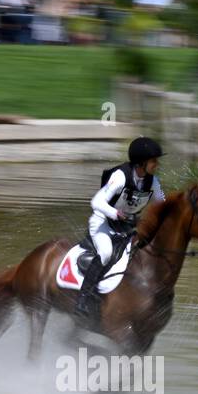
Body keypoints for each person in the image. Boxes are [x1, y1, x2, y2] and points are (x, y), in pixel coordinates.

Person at [76, 137, 166, 320]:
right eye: (154, 160)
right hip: (103, 223)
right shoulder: (120, 176)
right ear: (142, 162)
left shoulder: (153, 181)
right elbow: (96, 202)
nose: (157, 164)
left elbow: (163, 205)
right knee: (107, 253)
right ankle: (83, 299)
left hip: (127, 228)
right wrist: (115, 214)